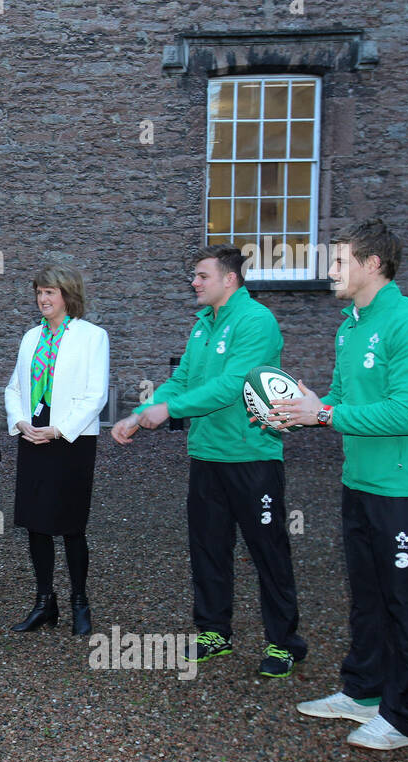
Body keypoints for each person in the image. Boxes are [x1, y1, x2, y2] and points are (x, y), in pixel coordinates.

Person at [271, 219, 408, 750]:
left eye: (339, 262)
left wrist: (322, 414)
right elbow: (344, 401)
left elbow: (407, 414)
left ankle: (404, 717)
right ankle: (364, 692)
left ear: (373, 264)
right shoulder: (350, 326)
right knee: (367, 597)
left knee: (406, 602)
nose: (329, 271)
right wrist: (302, 410)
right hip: (361, 484)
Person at [111, 245, 307, 677]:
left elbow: (235, 385)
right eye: (194, 277)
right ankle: (214, 631)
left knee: (268, 552)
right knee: (208, 549)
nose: (194, 283)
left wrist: (170, 411)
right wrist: (141, 414)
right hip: (206, 456)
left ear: (230, 279)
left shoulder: (256, 322)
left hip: (252, 457)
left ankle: (283, 642)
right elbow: (183, 378)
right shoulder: (203, 325)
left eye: (201, 276)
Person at [5, 266, 110, 635]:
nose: (43, 299)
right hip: (33, 434)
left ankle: (80, 603)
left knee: (70, 525)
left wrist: (58, 429)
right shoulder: (31, 336)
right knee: (36, 523)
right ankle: (44, 602)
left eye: (50, 292)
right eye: (39, 292)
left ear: (68, 295)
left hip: (72, 439)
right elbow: (13, 388)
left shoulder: (92, 337)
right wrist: (20, 423)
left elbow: (96, 394)